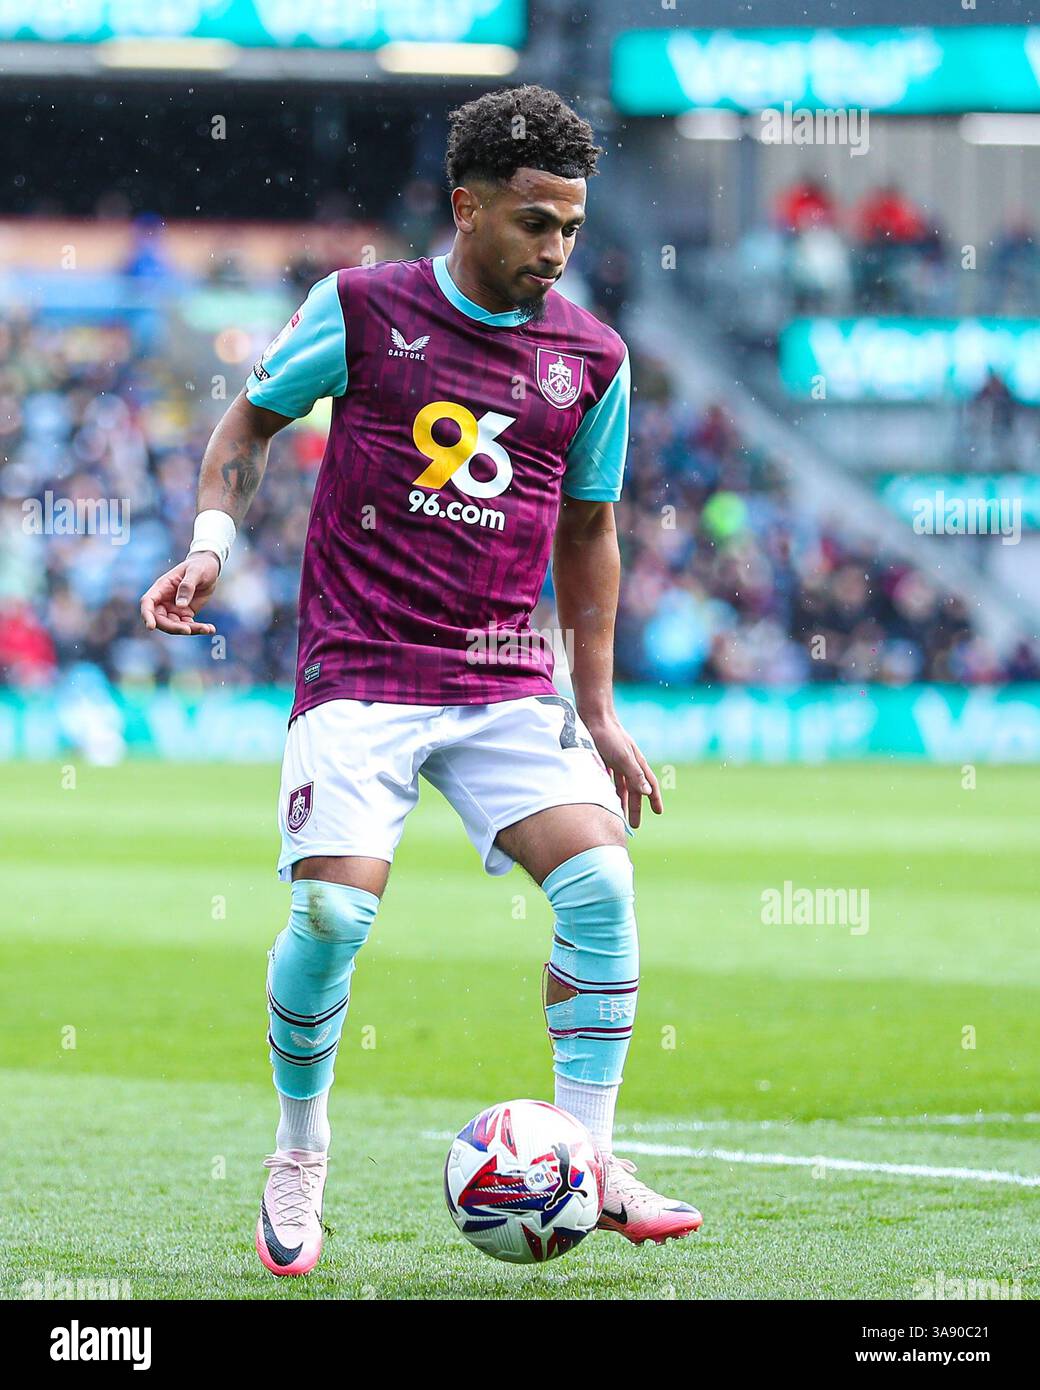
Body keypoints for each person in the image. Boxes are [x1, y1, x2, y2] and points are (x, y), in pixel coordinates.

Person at [140, 84, 702, 1277]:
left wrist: (594, 705)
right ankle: (300, 1148)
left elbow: (589, 531)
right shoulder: (360, 308)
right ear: (467, 206)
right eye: (534, 222)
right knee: (334, 913)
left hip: (504, 677)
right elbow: (244, 428)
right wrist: (208, 546)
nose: (555, 251)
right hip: (361, 668)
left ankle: (589, 1162)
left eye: (570, 228)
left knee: (602, 881)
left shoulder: (592, 360)